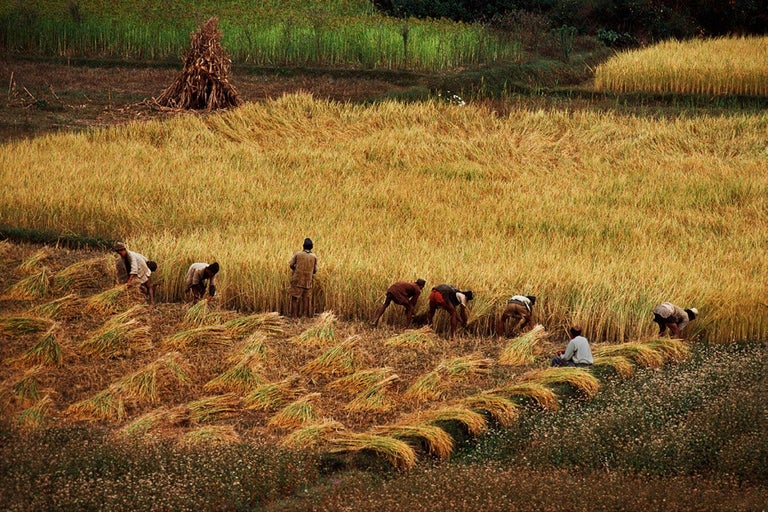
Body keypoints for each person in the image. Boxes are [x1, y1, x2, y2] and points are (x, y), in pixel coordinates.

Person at [288, 237, 318, 318]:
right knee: (306, 299)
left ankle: (294, 316)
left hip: (297, 280)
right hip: (308, 281)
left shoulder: (298, 254)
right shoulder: (314, 257)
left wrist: (296, 270)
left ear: (303, 246)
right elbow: (315, 270)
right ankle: (304, 317)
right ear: (312, 247)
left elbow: (291, 264)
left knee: (294, 298)